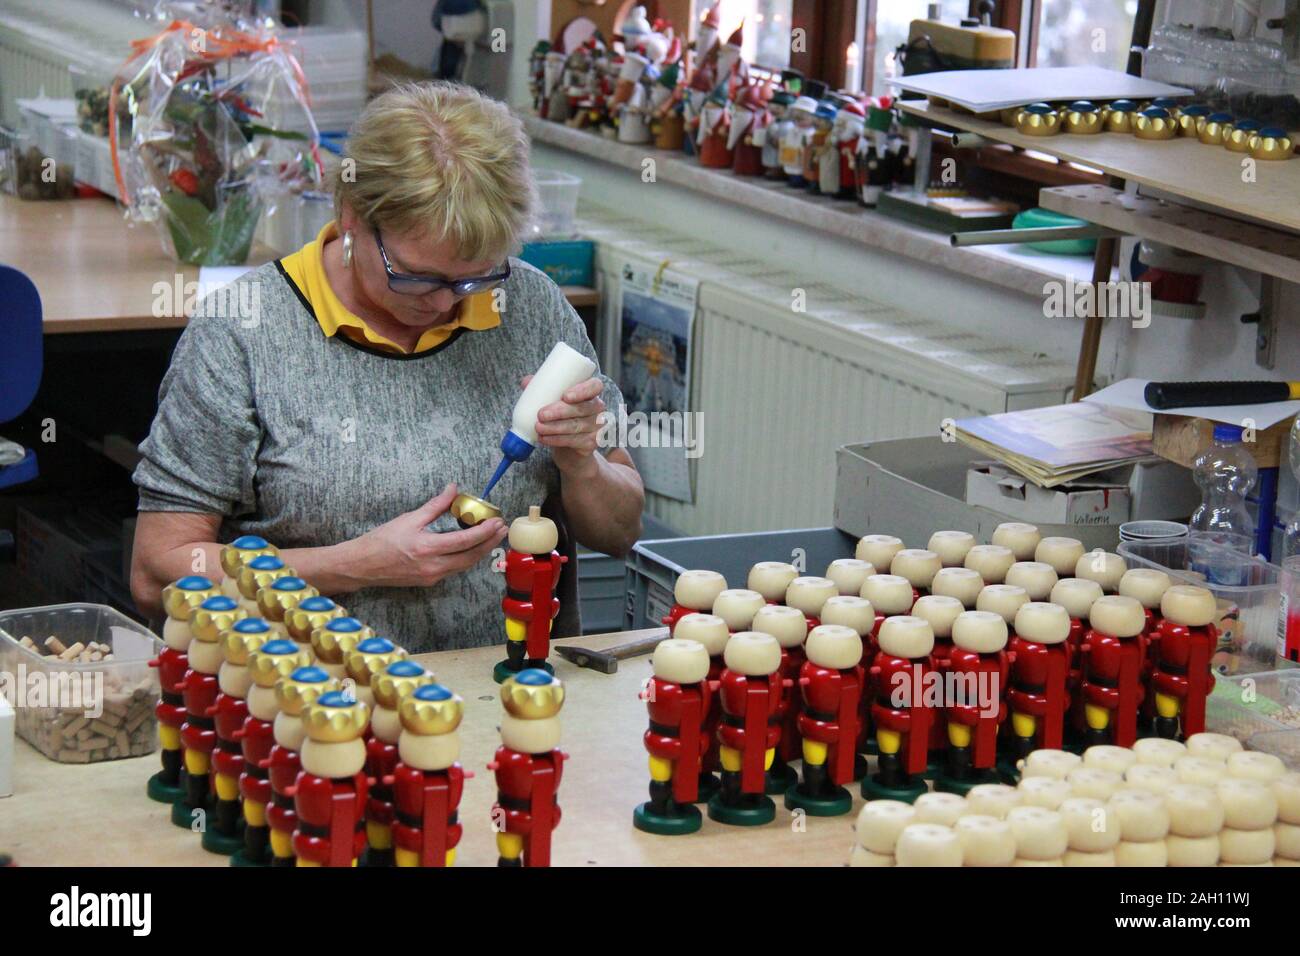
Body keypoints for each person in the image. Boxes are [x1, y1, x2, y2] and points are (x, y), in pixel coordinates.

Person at [131, 81, 644, 651]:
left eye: (474, 276)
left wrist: (583, 466)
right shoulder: (244, 331)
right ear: (351, 213)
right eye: (417, 275)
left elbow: (622, 533)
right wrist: (349, 566)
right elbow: (157, 573)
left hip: (510, 694)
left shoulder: (530, 307)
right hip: (306, 703)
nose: (446, 302)